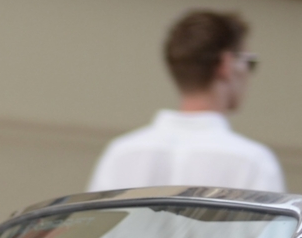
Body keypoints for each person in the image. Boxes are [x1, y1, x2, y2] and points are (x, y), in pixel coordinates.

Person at [86, 10, 283, 193]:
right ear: (226, 64)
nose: (249, 74)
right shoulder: (253, 162)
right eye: (249, 62)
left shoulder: (120, 154)